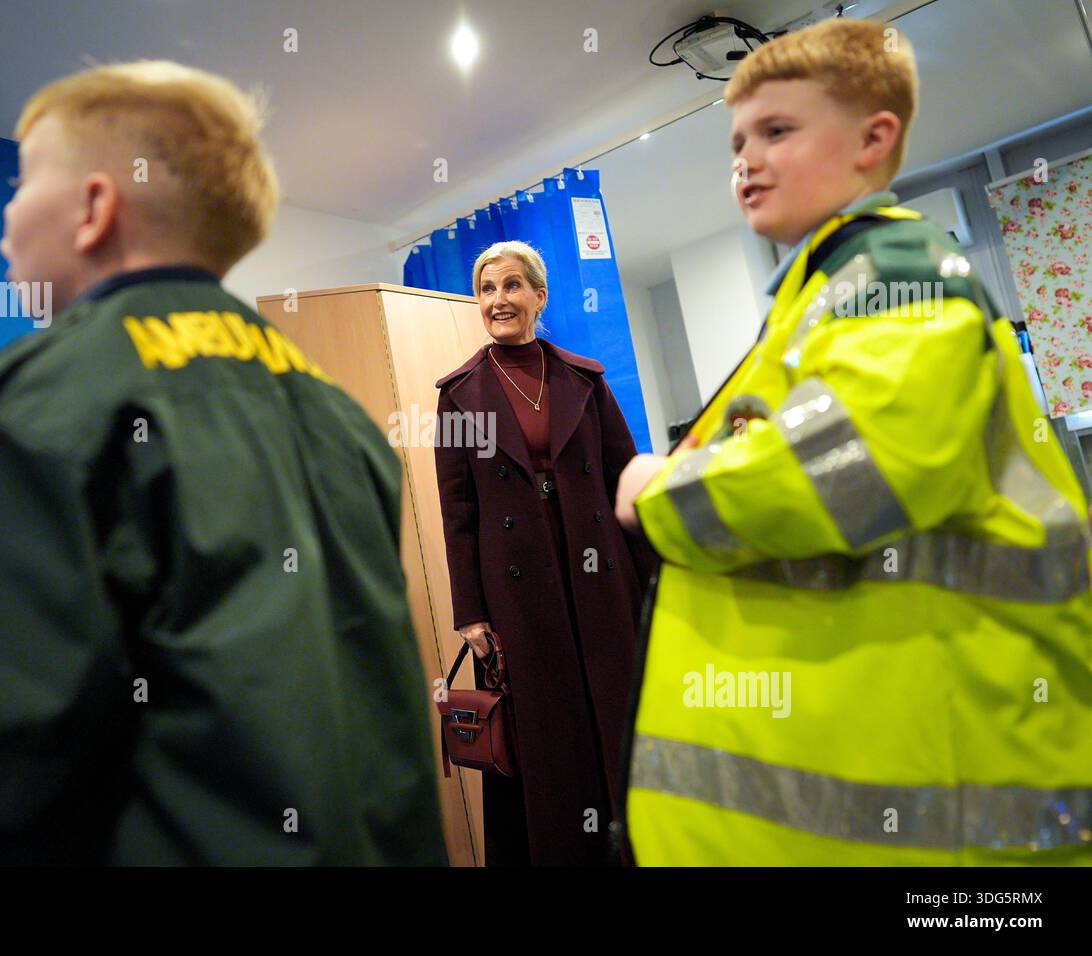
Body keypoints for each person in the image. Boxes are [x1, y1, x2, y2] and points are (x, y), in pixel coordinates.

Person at [0, 60, 447, 866]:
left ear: (96, 206)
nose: (3, 224)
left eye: (20, 184)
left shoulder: (36, 401)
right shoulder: (338, 415)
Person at [614, 18, 1092, 865]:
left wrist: (662, 492)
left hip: (954, 808)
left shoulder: (900, 271)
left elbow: (846, 467)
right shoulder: (820, 294)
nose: (745, 162)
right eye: (735, 143)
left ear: (876, 140)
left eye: (778, 131)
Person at [434, 240, 656, 866]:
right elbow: (459, 512)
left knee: (617, 714)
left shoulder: (584, 378)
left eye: (509, 286)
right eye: (486, 290)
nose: (497, 301)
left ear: (539, 295)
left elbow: (625, 477)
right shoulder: (458, 395)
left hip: (599, 573)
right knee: (546, 735)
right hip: (517, 594)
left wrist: (649, 581)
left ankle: (638, 846)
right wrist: (471, 612)